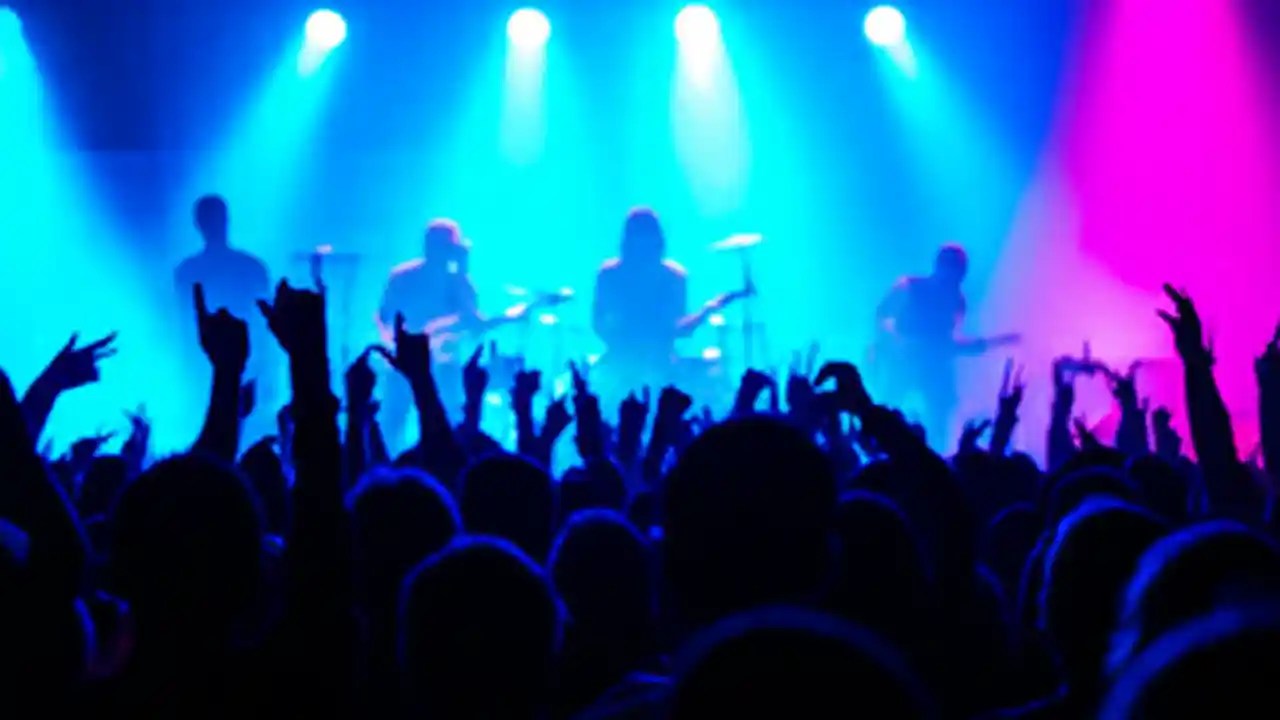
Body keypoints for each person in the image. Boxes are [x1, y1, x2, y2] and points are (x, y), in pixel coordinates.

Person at [377, 219, 480, 448]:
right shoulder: (402, 276)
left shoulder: (459, 281)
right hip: (404, 360)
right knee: (393, 423)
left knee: (448, 421)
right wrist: (393, 341)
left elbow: (470, 319)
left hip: (444, 361)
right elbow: (384, 314)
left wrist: (462, 273)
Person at [871, 243, 977, 448]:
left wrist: (973, 346)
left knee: (940, 416)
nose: (955, 276)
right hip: (904, 363)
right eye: (952, 267)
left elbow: (950, 339)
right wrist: (898, 343)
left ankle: (937, 454)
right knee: (889, 408)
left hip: (935, 368)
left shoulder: (958, 300)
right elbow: (881, 315)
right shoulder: (910, 286)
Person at [592, 208, 689, 398]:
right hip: (620, 359)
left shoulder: (673, 276)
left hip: (659, 360)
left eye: (647, 233)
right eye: (639, 233)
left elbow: (677, 324)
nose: (643, 240)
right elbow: (598, 320)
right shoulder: (609, 274)